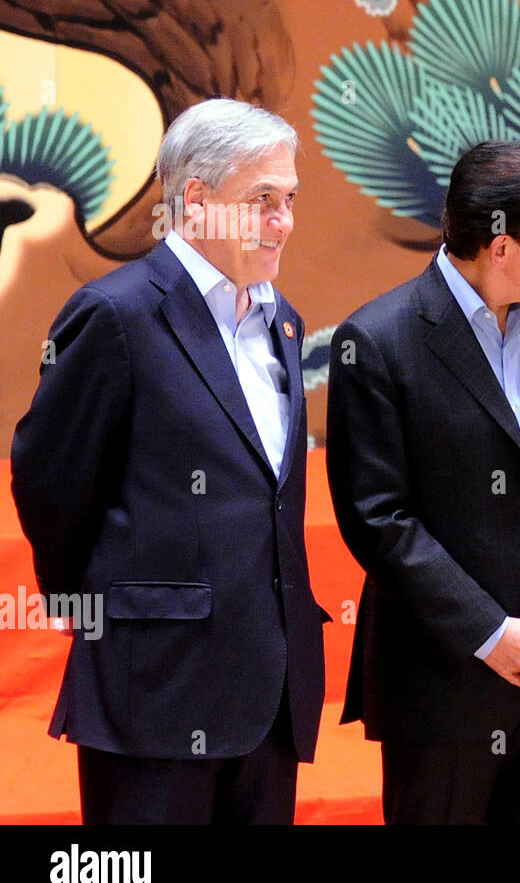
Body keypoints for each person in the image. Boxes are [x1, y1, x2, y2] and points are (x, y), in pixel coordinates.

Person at [10, 98, 326, 824]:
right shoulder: (116, 313)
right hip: (153, 686)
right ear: (196, 200)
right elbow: (49, 478)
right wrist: (94, 607)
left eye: (291, 201)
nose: (284, 221)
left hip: (270, 687)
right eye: (263, 201)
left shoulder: (282, 319)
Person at [327, 141, 520, 825]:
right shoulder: (376, 341)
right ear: (499, 245)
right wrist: (491, 633)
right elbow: (379, 519)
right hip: (443, 688)